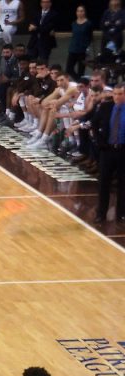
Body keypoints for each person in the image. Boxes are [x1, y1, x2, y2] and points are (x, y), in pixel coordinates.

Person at [91, 82, 125, 224]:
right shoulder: (106, 107)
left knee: (123, 184)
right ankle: (101, 214)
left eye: (120, 94)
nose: (117, 97)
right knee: (103, 183)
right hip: (107, 150)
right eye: (115, 94)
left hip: (123, 151)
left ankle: (121, 214)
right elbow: (94, 124)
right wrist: (99, 141)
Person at [0, 0, 24, 78]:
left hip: (11, 26)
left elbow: (22, 18)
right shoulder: (0, 2)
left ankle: (8, 49)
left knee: (6, 32)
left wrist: (12, 22)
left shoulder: (18, 3)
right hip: (0, 26)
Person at [66, 6, 93, 80]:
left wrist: (87, 47)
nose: (80, 13)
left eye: (81, 11)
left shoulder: (88, 23)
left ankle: (80, 82)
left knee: (81, 71)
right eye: (78, 11)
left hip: (82, 50)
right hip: (73, 49)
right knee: (69, 69)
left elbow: (90, 37)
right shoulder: (74, 23)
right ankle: (79, 81)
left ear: (84, 12)